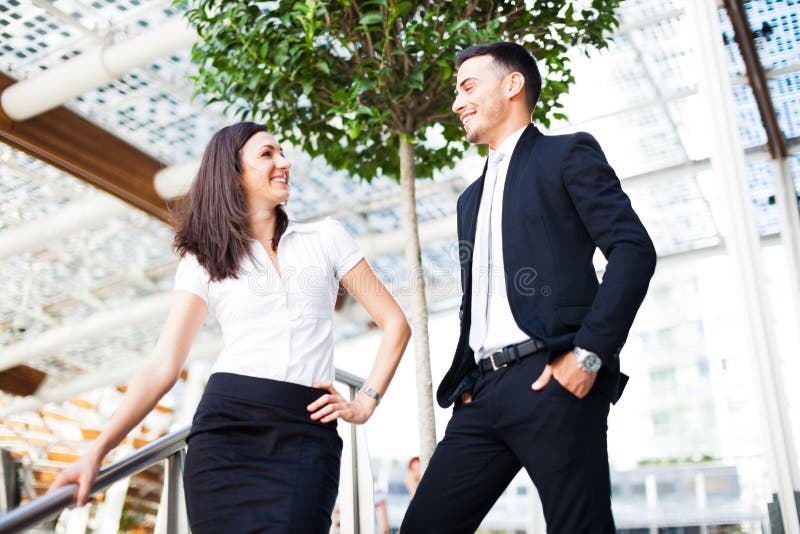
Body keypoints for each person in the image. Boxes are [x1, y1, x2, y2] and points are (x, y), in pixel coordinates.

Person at [49, 122, 411, 533]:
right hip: (226, 434)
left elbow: (395, 323)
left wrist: (366, 401)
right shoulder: (203, 258)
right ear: (233, 174)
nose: (284, 162)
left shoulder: (327, 238)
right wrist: (97, 451)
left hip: (306, 434)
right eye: (267, 154)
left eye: (281, 152)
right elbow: (164, 365)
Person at [401, 42, 656, 533]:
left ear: (512, 85)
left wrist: (589, 355)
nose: (456, 103)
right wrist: (468, 382)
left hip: (552, 377)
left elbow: (633, 250)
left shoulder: (566, 154)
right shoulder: (469, 200)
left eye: (468, 87)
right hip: (480, 394)